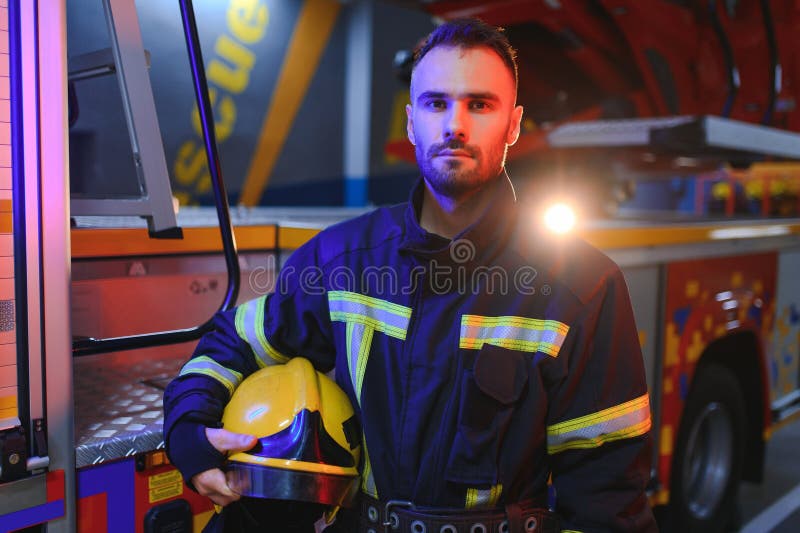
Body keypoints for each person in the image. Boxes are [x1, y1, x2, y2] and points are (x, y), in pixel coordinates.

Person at [164, 17, 657, 533]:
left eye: (480, 104)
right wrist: (190, 433)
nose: (455, 125)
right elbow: (233, 343)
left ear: (513, 125)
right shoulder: (345, 260)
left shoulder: (581, 286)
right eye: (436, 103)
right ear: (411, 122)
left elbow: (608, 496)